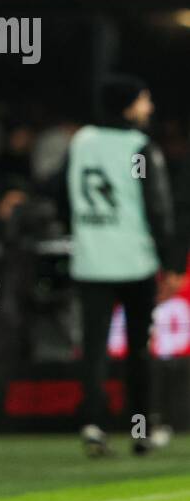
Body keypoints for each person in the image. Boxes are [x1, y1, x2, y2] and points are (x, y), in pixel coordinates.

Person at [60, 74, 182, 456]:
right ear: (128, 106)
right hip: (133, 260)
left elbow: (64, 192)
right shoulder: (138, 148)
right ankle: (141, 429)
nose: (150, 108)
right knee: (138, 349)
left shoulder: (81, 141)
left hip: (91, 260)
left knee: (94, 349)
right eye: (144, 100)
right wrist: (171, 262)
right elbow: (156, 206)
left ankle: (94, 425)